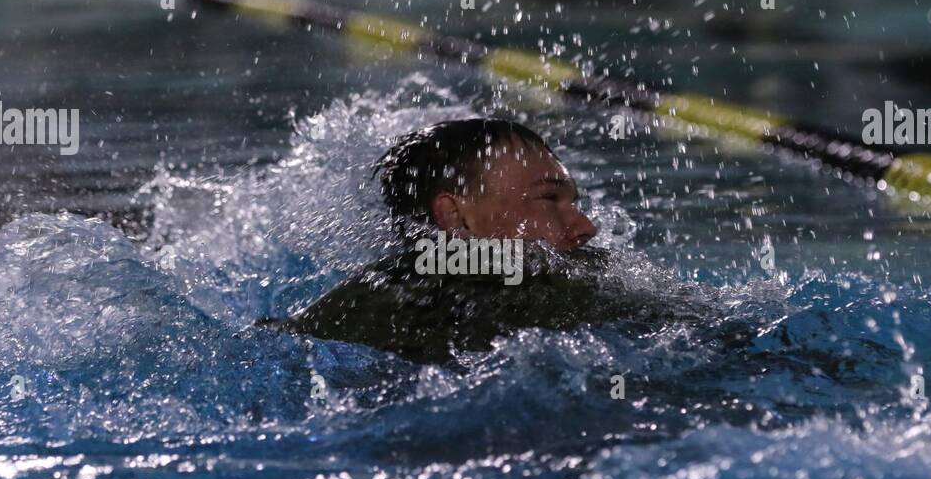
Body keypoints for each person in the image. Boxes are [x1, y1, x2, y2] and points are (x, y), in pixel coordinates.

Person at [283, 118, 679, 363]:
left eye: (573, 202)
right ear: (455, 217)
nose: (586, 226)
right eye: (548, 199)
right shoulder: (550, 288)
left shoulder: (352, 305)